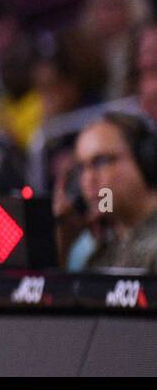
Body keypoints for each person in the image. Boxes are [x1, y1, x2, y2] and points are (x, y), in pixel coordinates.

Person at [54, 112, 157, 273]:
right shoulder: (104, 249)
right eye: (81, 168)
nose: (88, 179)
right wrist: (64, 241)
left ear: (145, 160)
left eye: (101, 161)